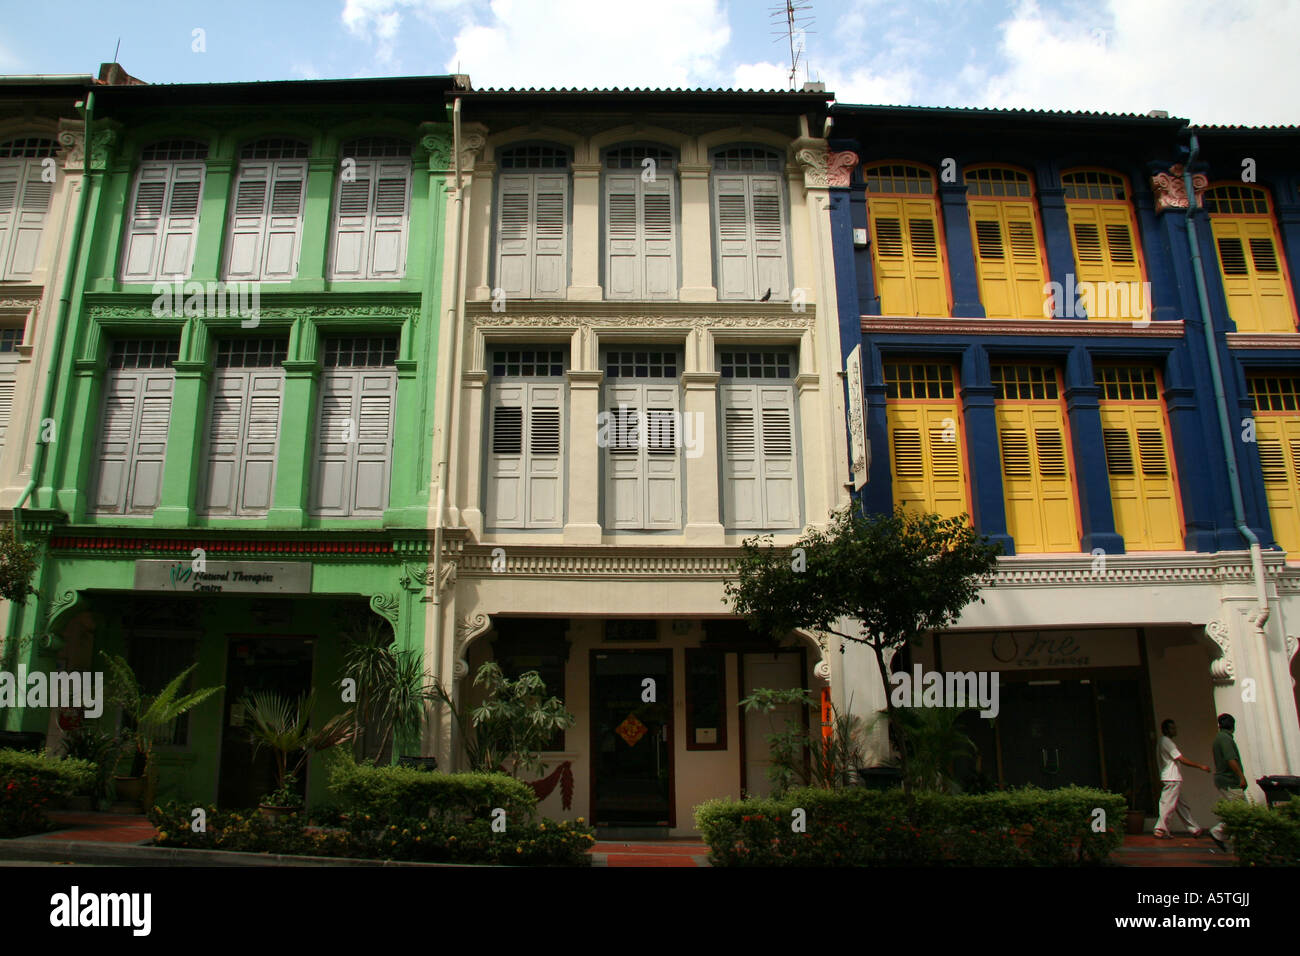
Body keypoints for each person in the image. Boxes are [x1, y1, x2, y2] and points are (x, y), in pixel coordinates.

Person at [1153, 719, 1210, 839]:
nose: (1175, 730)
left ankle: (1194, 829)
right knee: (1167, 803)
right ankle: (1160, 829)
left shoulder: (1163, 741)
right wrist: (1200, 766)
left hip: (1173, 777)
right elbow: (1181, 759)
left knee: (1181, 805)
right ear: (1166, 730)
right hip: (1171, 778)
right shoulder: (1166, 742)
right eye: (1172, 728)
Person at [1208, 713, 1249, 851]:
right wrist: (1241, 777)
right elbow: (1230, 759)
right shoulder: (1225, 739)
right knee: (1242, 811)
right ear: (1233, 725)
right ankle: (1219, 832)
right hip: (1229, 781)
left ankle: (1236, 841)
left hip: (1224, 780)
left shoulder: (1220, 738)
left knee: (1236, 811)